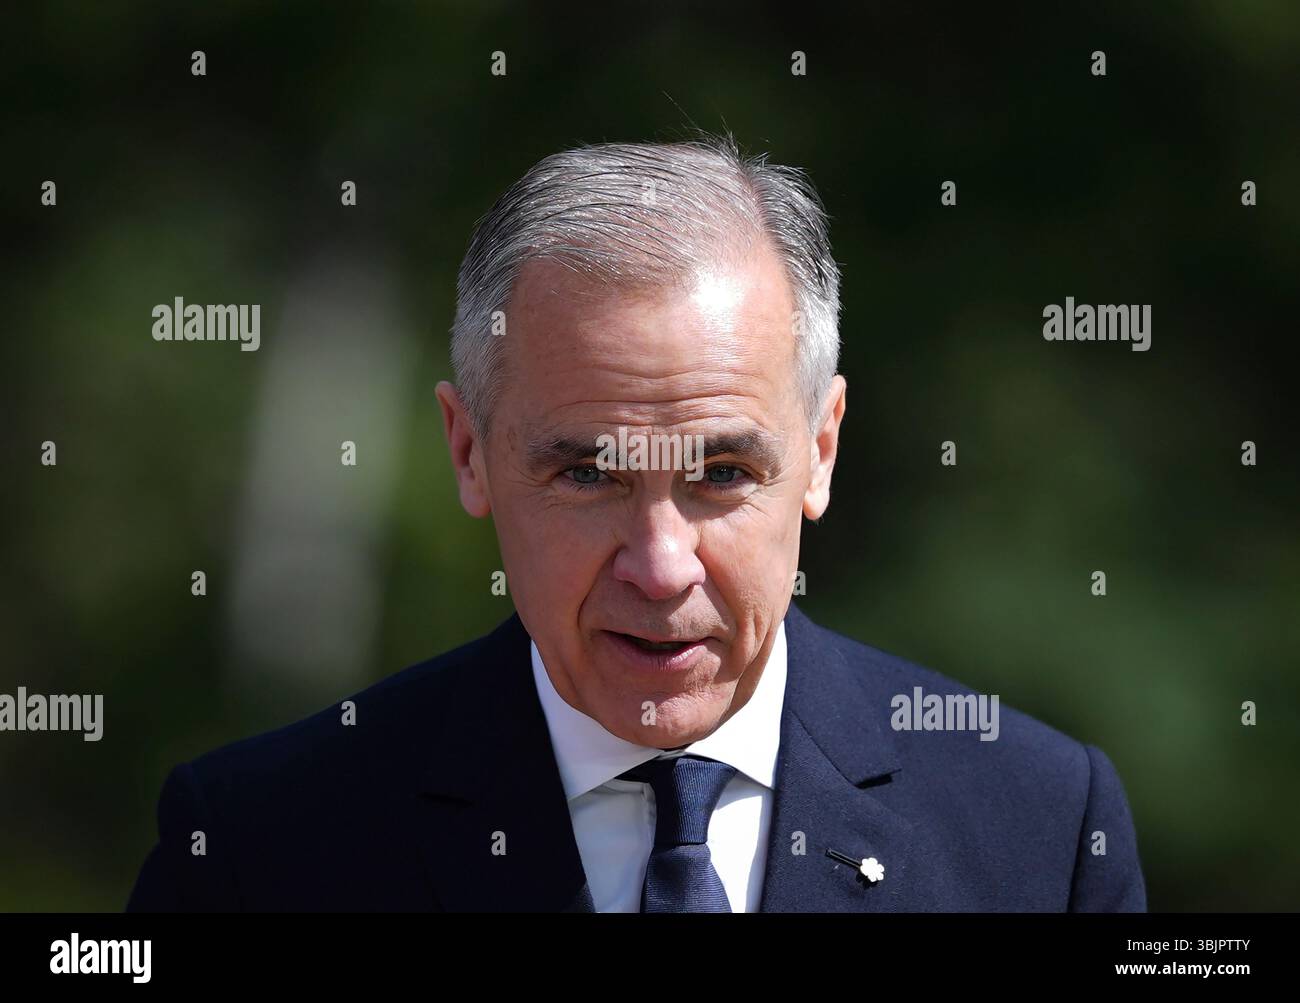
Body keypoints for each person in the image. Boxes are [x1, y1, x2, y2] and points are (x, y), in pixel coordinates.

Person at [127, 136, 1145, 912]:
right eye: (586, 473)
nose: (661, 570)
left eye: (722, 472)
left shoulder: (1038, 828)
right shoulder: (256, 850)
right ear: (468, 451)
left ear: (820, 450)